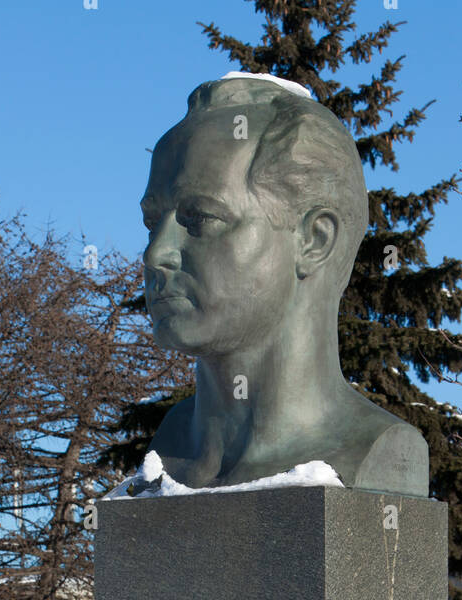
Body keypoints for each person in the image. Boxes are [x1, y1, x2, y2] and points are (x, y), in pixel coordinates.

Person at [140, 72, 428, 495]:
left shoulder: (372, 451)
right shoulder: (167, 455)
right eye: (151, 223)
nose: (155, 254)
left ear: (314, 240)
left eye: (199, 218)